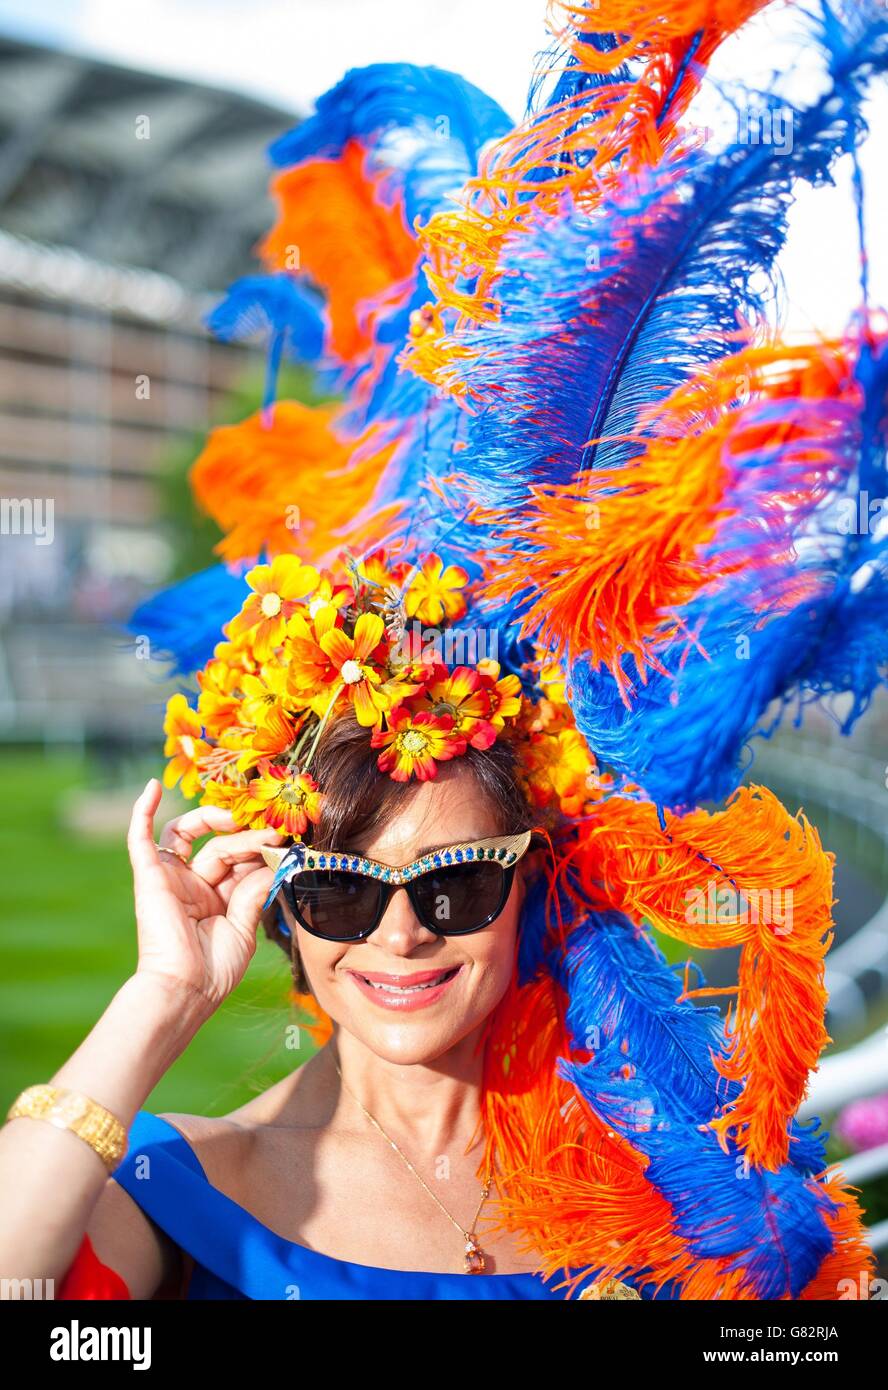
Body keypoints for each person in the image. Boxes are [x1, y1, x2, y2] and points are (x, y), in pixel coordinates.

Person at [3, 0, 886, 1301]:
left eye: (459, 882)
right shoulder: (169, 1190)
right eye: (339, 889)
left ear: (536, 878)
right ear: (282, 910)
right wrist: (160, 998)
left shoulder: (684, 1208)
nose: (402, 937)